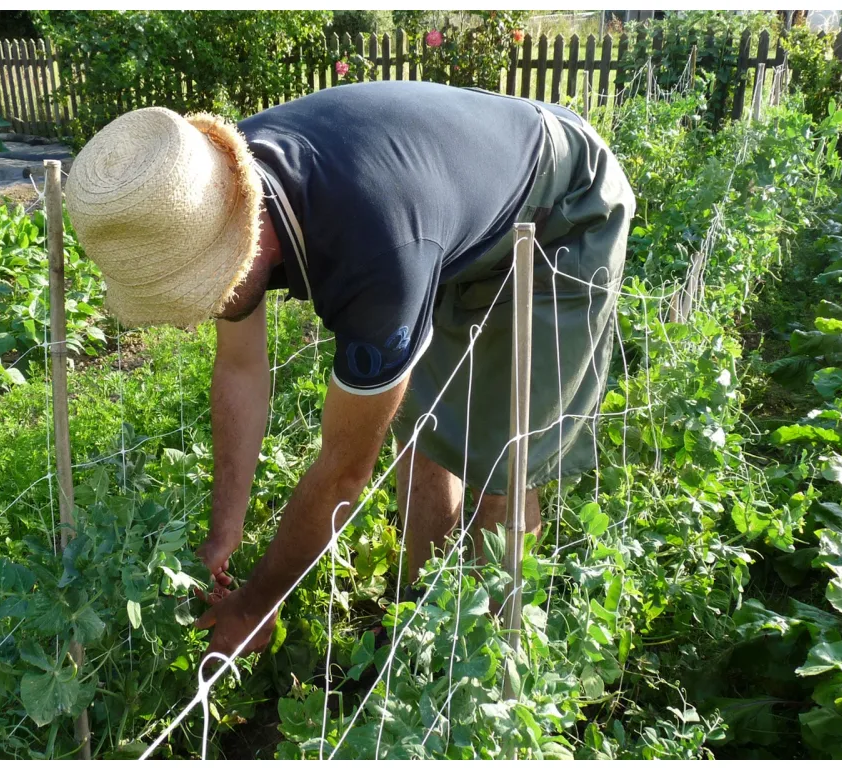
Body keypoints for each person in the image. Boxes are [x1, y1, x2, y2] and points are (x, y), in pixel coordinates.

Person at [65, 80, 635, 659]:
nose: (199, 313)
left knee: (501, 462)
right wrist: (224, 531)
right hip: (441, 205)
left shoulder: (375, 254)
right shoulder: (210, 191)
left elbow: (344, 474)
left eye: (201, 288)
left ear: (243, 239)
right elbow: (240, 367)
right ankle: (425, 623)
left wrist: (256, 604)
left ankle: (485, 659)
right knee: (423, 430)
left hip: (560, 210)